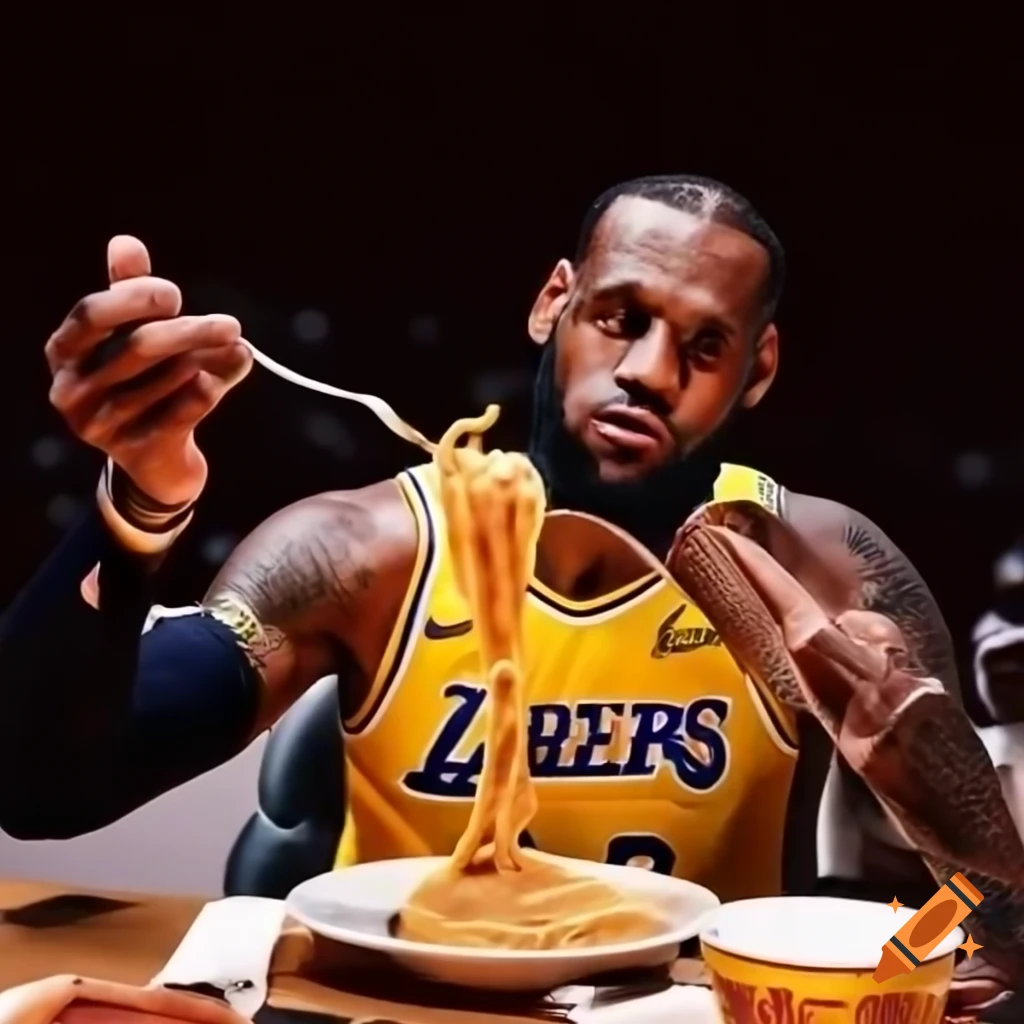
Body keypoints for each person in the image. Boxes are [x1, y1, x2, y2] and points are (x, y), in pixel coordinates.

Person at [0, 176, 1019, 1012]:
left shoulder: (819, 566)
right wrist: (134, 508)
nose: (649, 371)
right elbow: (42, 786)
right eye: (620, 317)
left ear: (758, 369)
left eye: (705, 346)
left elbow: (981, 912)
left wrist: (936, 822)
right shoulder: (363, 551)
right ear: (552, 304)